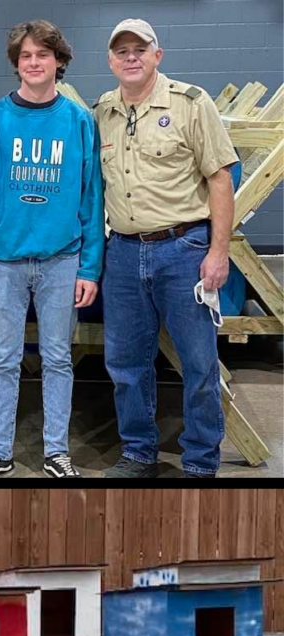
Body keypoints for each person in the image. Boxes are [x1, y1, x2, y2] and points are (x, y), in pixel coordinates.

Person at [95, 19, 238, 478]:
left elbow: (220, 179)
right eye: (122, 51)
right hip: (121, 252)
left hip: (183, 250)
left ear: (158, 55)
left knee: (198, 362)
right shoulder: (103, 111)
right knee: (125, 363)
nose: (131, 57)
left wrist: (218, 253)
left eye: (141, 49)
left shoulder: (191, 104)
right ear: (111, 60)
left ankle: (200, 459)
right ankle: (138, 452)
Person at [0, 20, 104, 480]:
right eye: (25, 56)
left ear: (59, 61)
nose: (33, 63)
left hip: (61, 261)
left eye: (42, 55)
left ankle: (56, 451)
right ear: (16, 64)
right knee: (3, 358)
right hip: (3, 261)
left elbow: (91, 197)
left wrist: (90, 267)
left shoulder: (79, 121)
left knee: (58, 357)